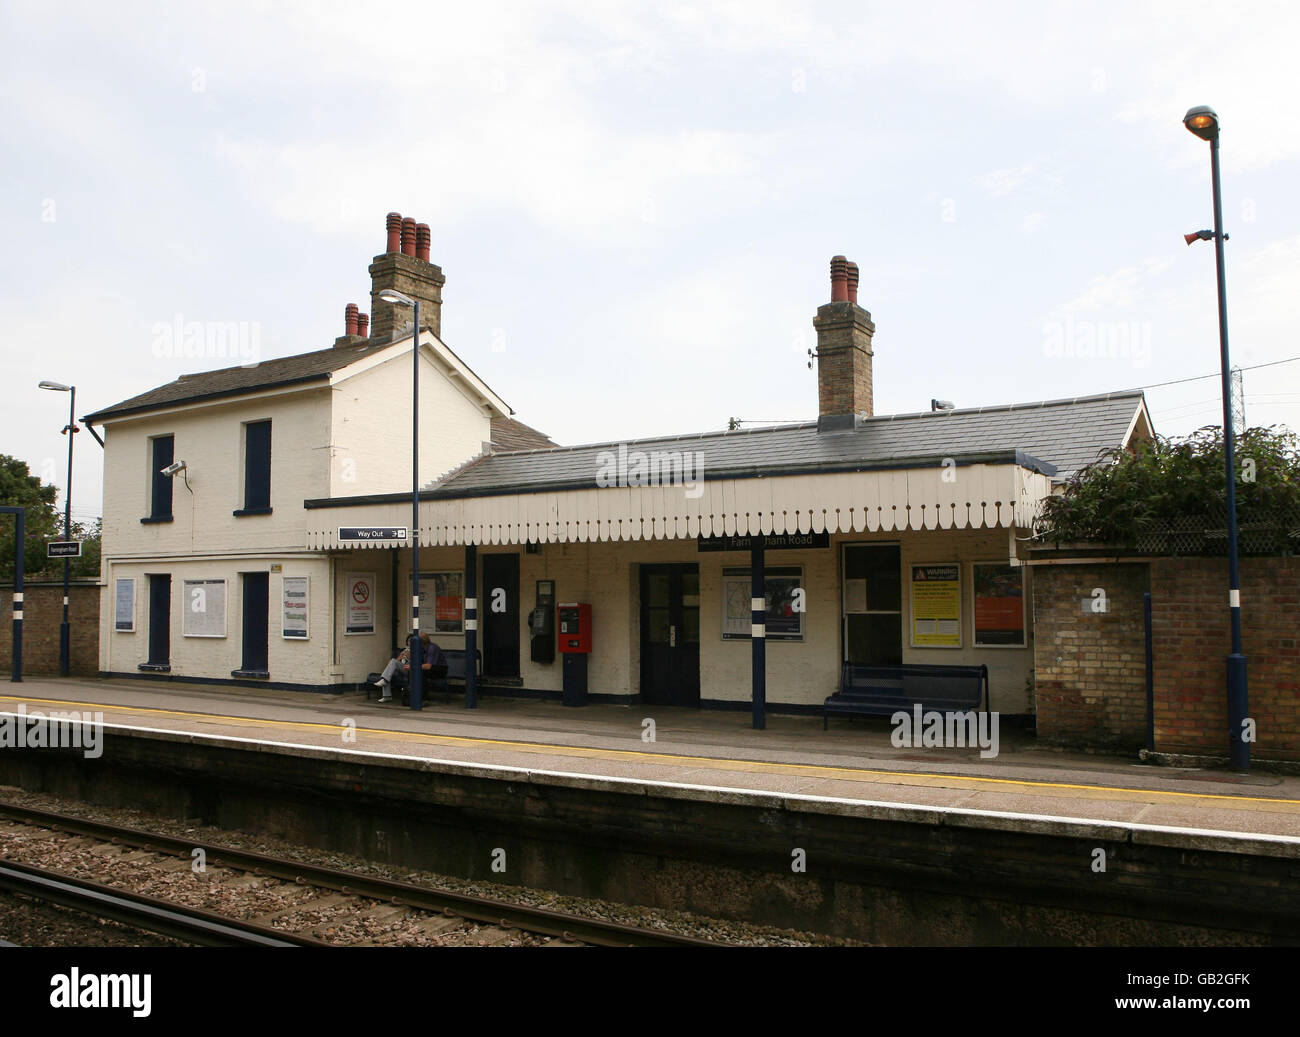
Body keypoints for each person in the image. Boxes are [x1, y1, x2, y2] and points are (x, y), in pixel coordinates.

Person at [373, 633, 448, 703]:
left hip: (439, 669)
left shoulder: (432, 648)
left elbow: (428, 666)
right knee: (393, 665)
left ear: (421, 642)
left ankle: (423, 698)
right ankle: (387, 685)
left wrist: (413, 666)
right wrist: (407, 656)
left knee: (419, 673)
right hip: (415, 667)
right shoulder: (418, 648)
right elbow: (403, 661)